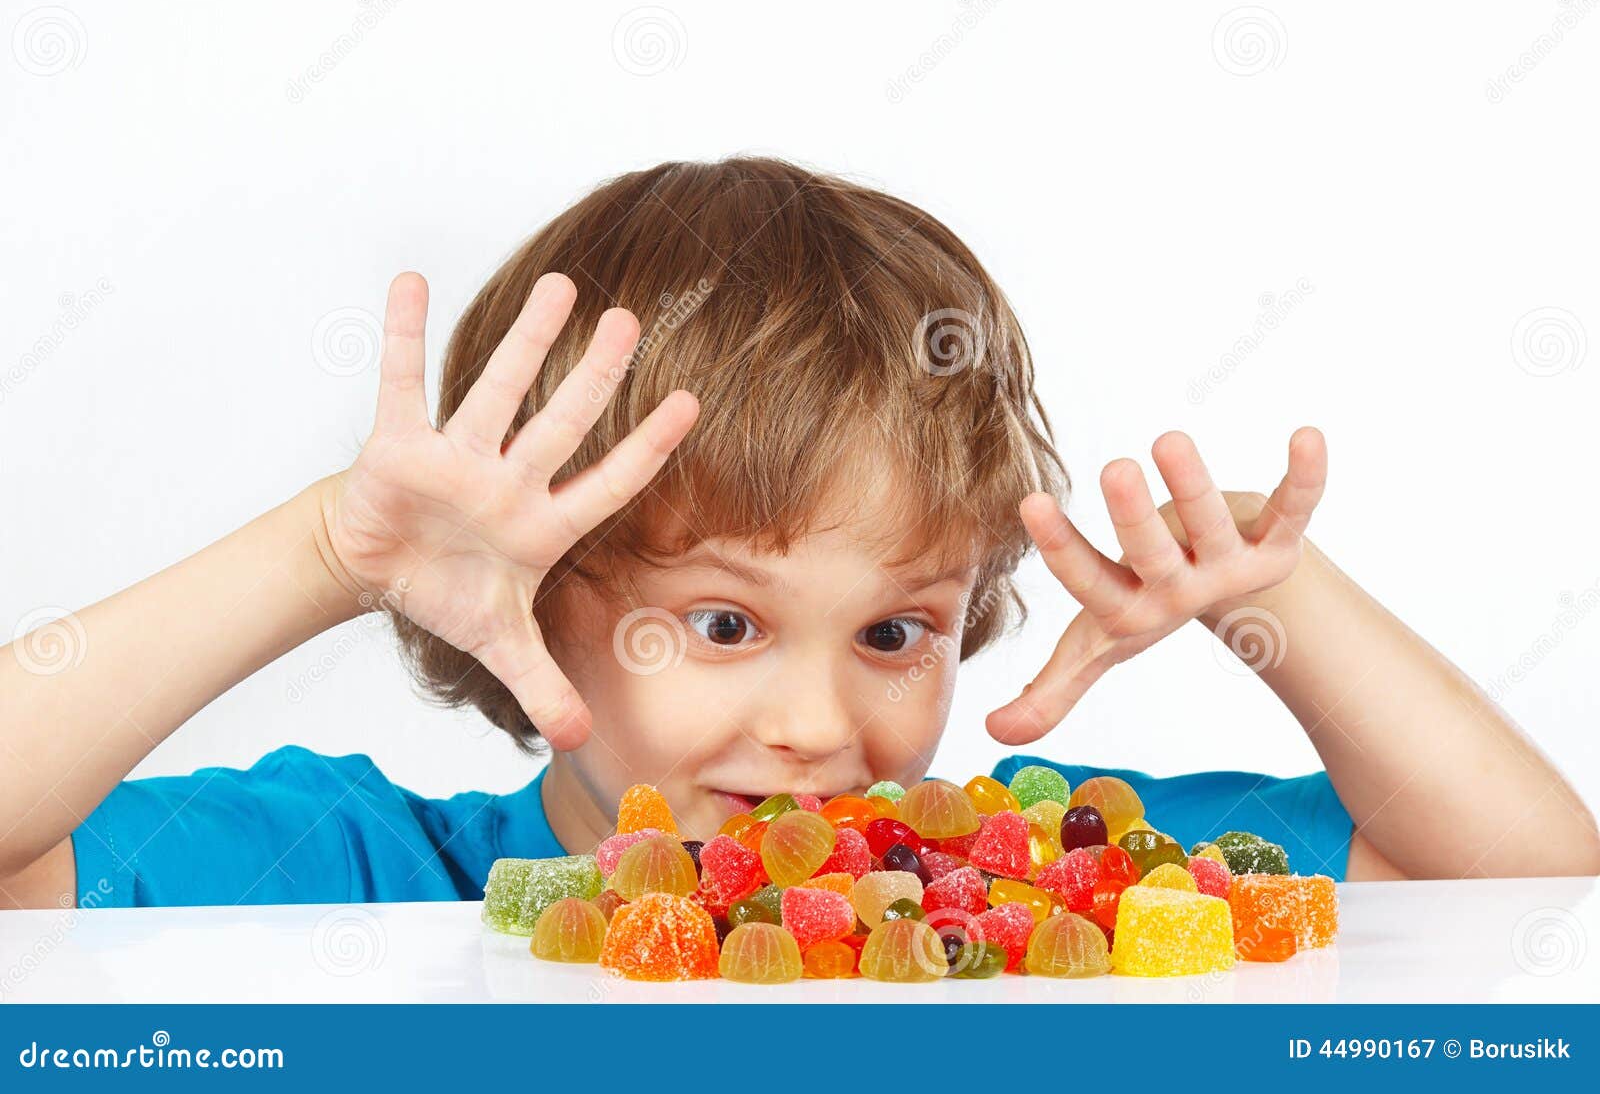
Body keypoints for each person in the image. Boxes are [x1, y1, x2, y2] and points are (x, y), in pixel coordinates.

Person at [2, 157, 1594, 910]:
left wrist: (1276, 592)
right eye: (723, 622)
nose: (823, 725)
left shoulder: (1044, 880)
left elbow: (1531, 892)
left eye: (896, 631)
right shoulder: (355, 876)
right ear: (537, 600)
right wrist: (323, 555)